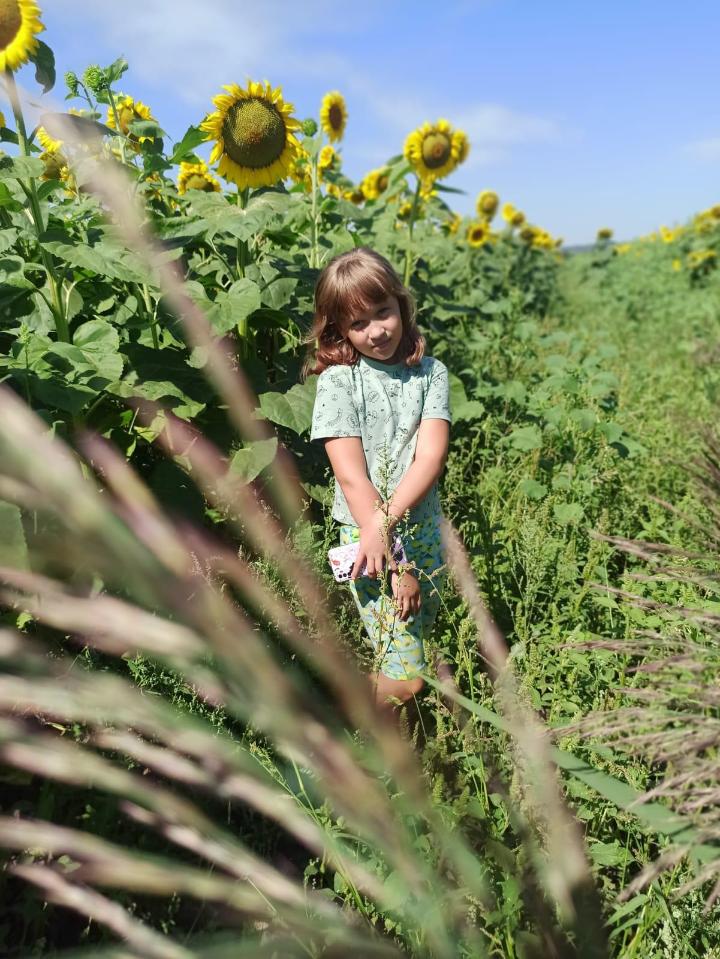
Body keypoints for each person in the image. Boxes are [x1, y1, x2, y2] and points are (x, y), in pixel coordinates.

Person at [302, 247, 452, 723]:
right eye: (358, 324)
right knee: (407, 679)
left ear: (401, 305)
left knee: (408, 651)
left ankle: (374, 719)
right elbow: (351, 476)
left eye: (383, 313)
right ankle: (360, 743)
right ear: (338, 330)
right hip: (371, 542)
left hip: (423, 529)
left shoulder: (430, 374)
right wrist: (391, 551)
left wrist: (396, 529)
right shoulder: (339, 382)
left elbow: (430, 455)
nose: (377, 331)